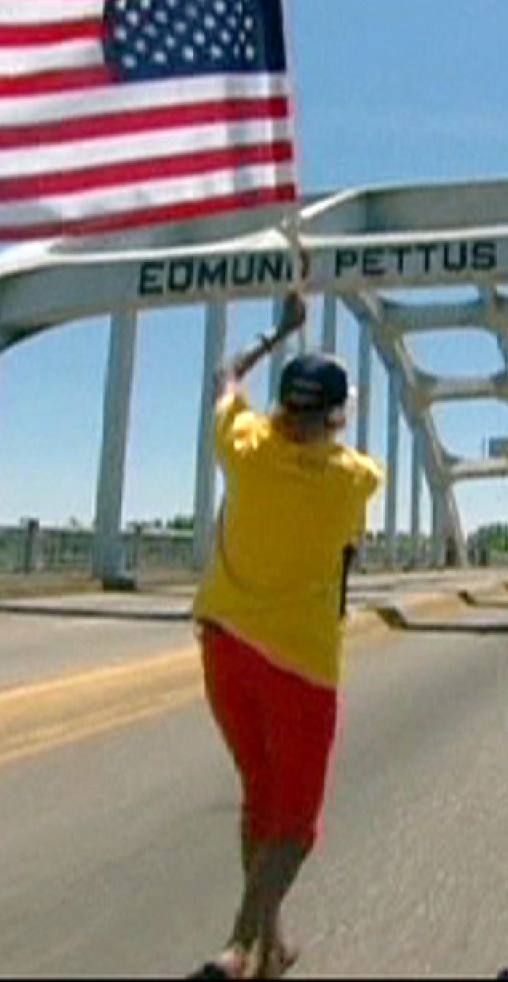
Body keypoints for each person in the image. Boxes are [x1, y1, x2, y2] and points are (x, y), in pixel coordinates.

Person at [191, 350, 383, 980]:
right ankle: (240, 941)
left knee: (260, 795)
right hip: (302, 663)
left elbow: (226, 384)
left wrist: (246, 360)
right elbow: (349, 546)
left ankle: (270, 949)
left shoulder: (242, 444)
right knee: (295, 825)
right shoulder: (356, 477)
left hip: (225, 647)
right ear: (338, 414)